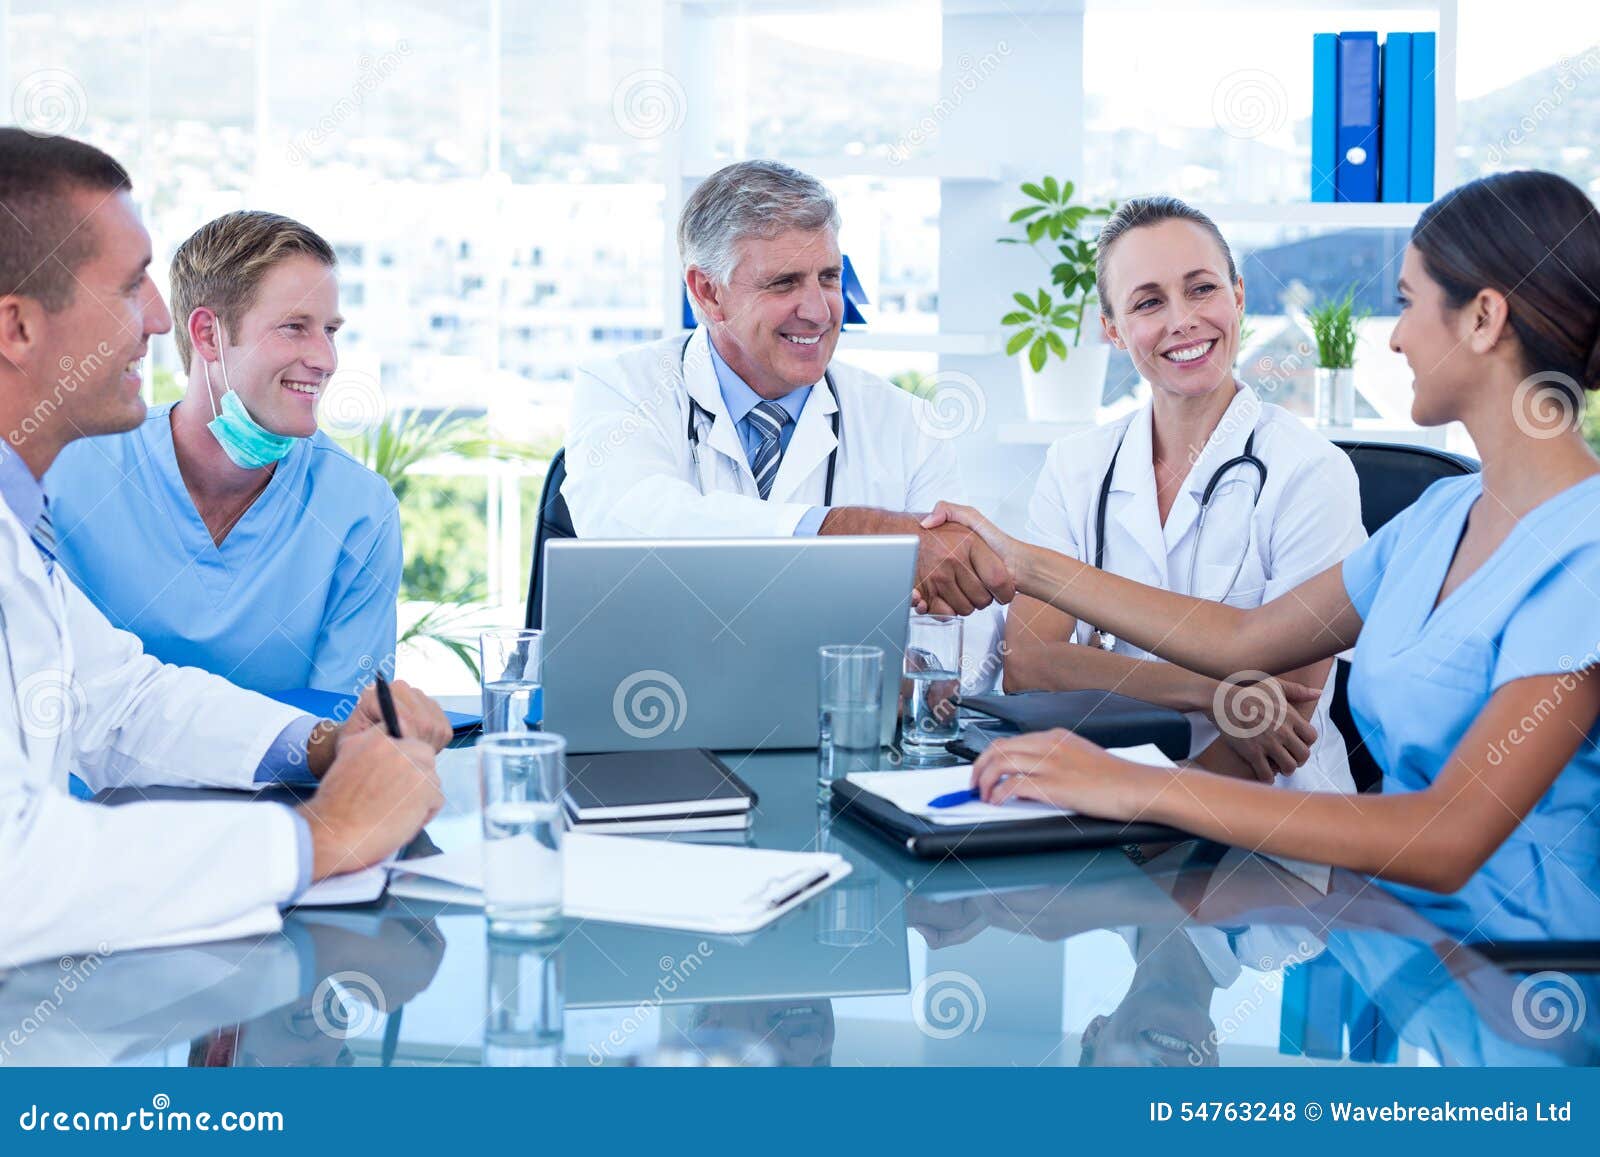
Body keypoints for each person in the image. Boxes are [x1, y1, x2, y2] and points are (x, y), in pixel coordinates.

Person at [925, 170, 1600, 941]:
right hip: (1397, 948)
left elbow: (1444, 839)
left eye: (1409, 302)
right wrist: (1021, 559)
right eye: (1147, 300)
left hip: (1526, 990)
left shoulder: (1585, 548)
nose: (1394, 335)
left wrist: (1133, 786)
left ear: (1483, 318)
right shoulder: (1440, 517)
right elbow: (1244, 643)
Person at [0, 129, 450, 968]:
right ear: (19, 328)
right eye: (128, 285)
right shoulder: (59, 493)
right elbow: (14, 876)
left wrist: (321, 745)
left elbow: (119, 702)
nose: (158, 318)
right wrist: (318, 834)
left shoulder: (12, 526)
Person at [563, 160, 1009, 672]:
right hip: (657, 720)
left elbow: (969, 649)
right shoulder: (622, 389)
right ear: (708, 292)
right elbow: (634, 531)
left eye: (829, 277)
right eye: (784, 283)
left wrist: (894, 678)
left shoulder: (910, 427)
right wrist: (844, 533)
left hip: (849, 733)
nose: (819, 310)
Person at [1006, 196, 1365, 790]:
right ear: (1114, 331)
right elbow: (1028, 663)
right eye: (1149, 302)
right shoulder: (1076, 468)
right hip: (1100, 798)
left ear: (1239, 297)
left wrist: (1149, 832)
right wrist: (1217, 692)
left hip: (1273, 824)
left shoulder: (1310, 472)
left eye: (1202, 289)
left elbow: (1289, 711)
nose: (1182, 320)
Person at [45, 210, 401, 695]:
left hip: (289, 773)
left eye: (330, 330)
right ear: (208, 335)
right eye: (295, 327)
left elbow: (343, 727)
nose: (326, 359)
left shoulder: (360, 510)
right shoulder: (68, 476)